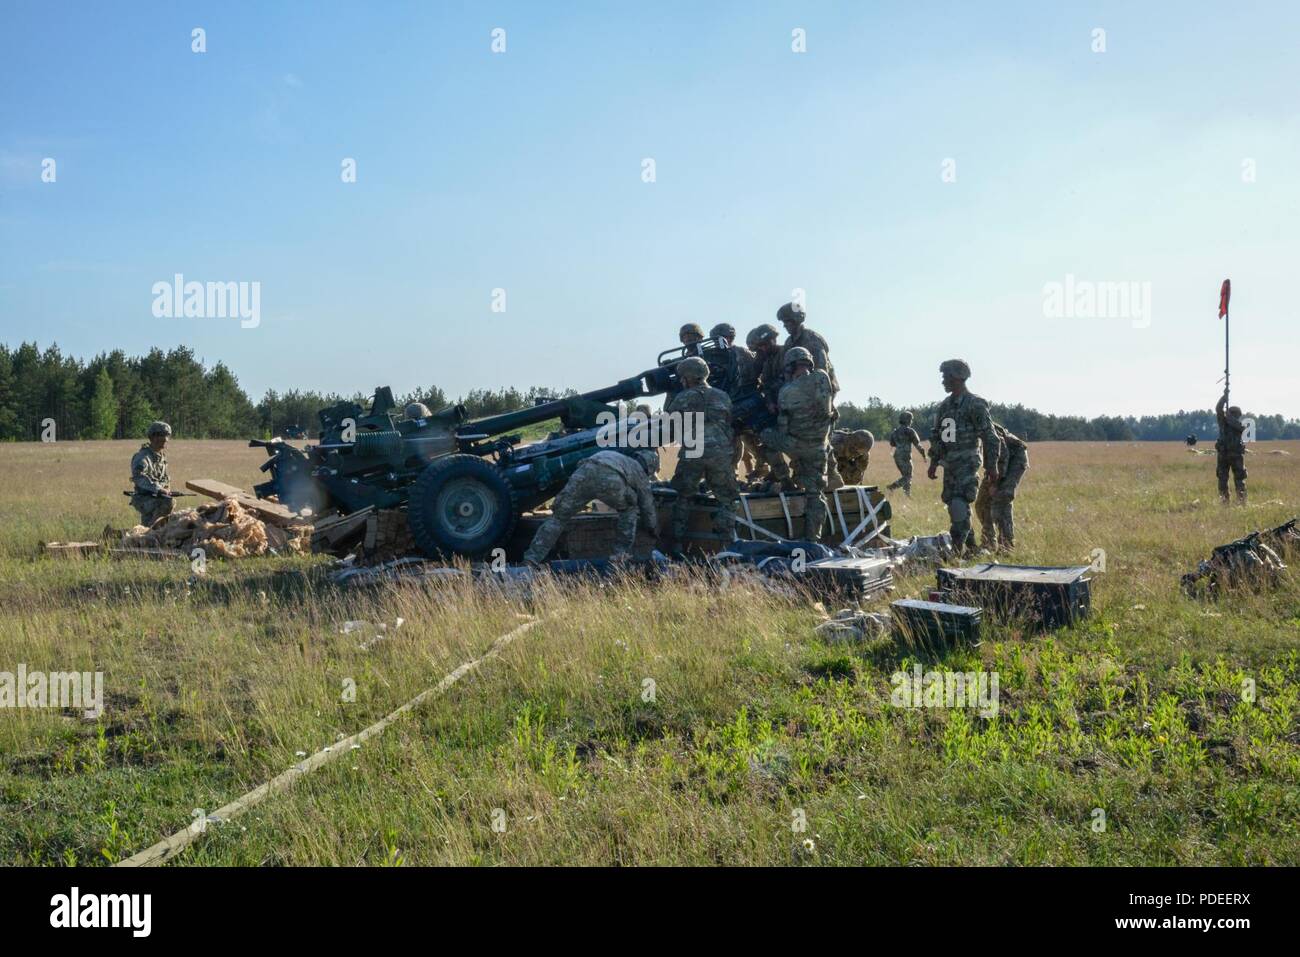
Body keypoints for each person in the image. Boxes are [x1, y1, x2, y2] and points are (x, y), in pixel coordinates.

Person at [523, 449, 659, 563]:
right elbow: (647, 505)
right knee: (629, 509)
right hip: (610, 480)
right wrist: (651, 527)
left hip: (583, 473)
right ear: (649, 468)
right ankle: (620, 556)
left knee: (558, 518)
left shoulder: (618, 456)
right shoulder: (640, 472)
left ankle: (531, 559)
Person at [663, 356, 738, 556]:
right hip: (720, 454)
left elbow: (670, 424)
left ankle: (677, 546)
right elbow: (730, 422)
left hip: (692, 453)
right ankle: (727, 546)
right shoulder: (723, 396)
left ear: (687, 377)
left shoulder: (683, 398)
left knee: (683, 496)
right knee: (726, 499)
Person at [927, 360, 1001, 556]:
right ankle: (971, 547)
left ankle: (956, 551)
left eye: (946, 376)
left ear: (958, 377)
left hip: (967, 463)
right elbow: (939, 437)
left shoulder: (975, 404)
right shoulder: (945, 407)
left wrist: (992, 466)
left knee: (959, 503)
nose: (943, 380)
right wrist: (934, 462)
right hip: (949, 465)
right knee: (953, 505)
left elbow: (990, 437)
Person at [759, 347, 834, 541]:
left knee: (766, 437)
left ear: (790, 366)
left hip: (797, 444)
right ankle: (813, 539)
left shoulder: (786, 392)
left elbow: (783, 428)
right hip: (819, 446)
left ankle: (785, 479)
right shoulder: (822, 377)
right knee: (815, 495)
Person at [709, 322, 761, 478]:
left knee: (750, 438)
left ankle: (760, 466)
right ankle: (732, 472)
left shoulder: (742, 353)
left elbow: (756, 375)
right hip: (727, 403)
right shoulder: (713, 356)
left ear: (731, 337)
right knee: (733, 437)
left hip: (745, 401)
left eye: (723, 337)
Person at [745, 323, 792, 487]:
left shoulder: (786, 352)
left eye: (765, 345)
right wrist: (769, 401)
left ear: (774, 339)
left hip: (791, 407)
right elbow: (762, 383)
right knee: (766, 440)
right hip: (776, 406)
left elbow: (787, 380)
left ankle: (798, 473)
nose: (763, 349)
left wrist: (771, 397)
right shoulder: (766, 360)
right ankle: (781, 476)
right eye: (759, 347)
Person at [973, 423, 1028, 551]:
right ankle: (989, 542)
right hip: (996, 465)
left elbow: (1003, 454)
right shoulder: (967, 424)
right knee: (981, 503)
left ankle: (1006, 546)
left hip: (1015, 458)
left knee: (1002, 499)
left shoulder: (983, 425)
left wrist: (995, 484)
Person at [129, 421, 177, 527]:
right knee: (168, 503)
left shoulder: (161, 458)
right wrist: (158, 489)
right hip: (143, 498)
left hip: (156, 497)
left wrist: (166, 490)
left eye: (167, 436)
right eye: (163, 435)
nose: (166, 439)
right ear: (153, 437)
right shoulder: (142, 457)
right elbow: (139, 477)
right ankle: (149, 533)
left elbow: (164, 478)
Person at [1215, 391, 1247, 504]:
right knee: (1223, 479)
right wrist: (1224, 398)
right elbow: (1218, 409)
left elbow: (1240, 427)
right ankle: (1225, 501)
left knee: (1239, 479)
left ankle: (1241, 501)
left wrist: (1229, 418)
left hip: (1236, 455)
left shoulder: (1238, 425)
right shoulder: (1223, 422)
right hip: (1224, 455)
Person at [887, 412, 926, 496]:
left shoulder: (895, 432)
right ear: (907, 420)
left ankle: (907, 494)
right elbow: (917, 444)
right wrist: (923, 455)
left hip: (897, 456)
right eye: (911, 419)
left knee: (905, 476)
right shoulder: (909, 431)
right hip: (905, 456)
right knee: (908, 476)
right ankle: (893, 487)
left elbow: (892, 444)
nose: (911, 421)